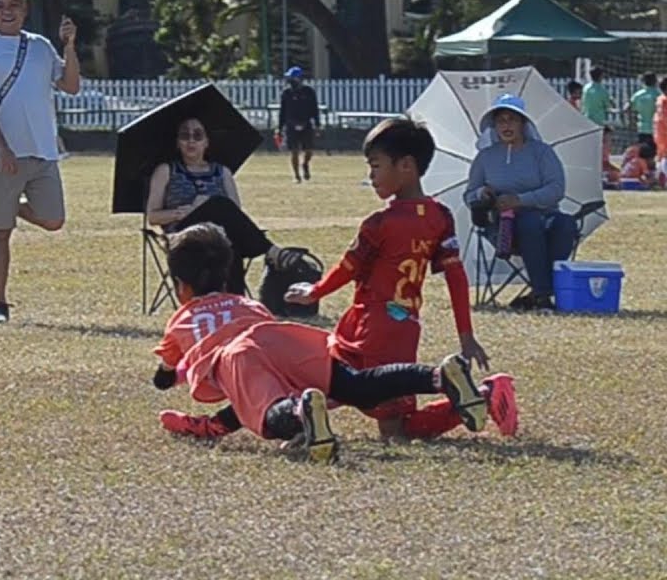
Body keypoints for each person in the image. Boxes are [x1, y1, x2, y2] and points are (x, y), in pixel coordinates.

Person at [151, 224, 513, 461]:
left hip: (236, 359)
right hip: (280, 338)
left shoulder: (181, 318)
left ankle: (301, 413)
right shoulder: (247, 303)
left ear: (182, 286)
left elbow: (167, 371)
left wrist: (165, 377)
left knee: (270, 416)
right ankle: (438, 376)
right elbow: (260, 344)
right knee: (357, 386)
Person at [282, 118, 513, 441]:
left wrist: (315, 292)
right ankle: (304, 424)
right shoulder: (440, 217)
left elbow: (348, 269)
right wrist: (465, 335)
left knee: (390, 425)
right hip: (402, 327)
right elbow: (456, 276)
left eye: (375, 166)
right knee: (343, 390)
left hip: (370, 326)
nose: (371, 176)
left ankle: (486, 396)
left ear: (406, 166)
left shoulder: (379, 224)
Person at [0, 0, 78, 325]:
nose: (7, 11)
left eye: (14, 4)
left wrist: (69, 46)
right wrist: (1, 147)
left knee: (54, 219)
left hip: (42, 150)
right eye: (0, 5)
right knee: (1, 230)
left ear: (25, 9)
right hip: (1, 155)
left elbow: (70, 86)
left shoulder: (41, 46)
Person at [145, 115, 302, 295]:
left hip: (221, 236)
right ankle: (271, 252)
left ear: (206, 142)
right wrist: (184, 212)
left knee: (225, 235)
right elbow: (153, 217)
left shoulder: (222, 172)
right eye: (184, 136)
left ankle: (235, 299)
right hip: (184, 234)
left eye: (197, 136)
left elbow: (235, 213)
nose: (191, 141)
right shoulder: (166, 170)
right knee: (219, 205)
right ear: (177, 142)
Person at [463, 94, 578, 311]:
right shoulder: (485, 157)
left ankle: (540, 292)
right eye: (501, 121)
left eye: (512, 119)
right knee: (529, 222)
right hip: (503, 226)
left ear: (523, 124)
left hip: (546, 216)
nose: (506, 125)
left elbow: (556, 189)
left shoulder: (542, 152)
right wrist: (482, 193)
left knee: (566, 224)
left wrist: (520, 200)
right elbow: (469, 195)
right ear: (494, 126)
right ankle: (543, 295)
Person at [278, 66, 319, 183]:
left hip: (306, 124)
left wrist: (317, 124)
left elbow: (314, 109)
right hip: (291, 125)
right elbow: (282, 111)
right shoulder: (286, 93)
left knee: (309, 150)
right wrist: (279, 128)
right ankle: (296, 176)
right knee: (294, 151)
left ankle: (305, 164)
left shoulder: (309, 92)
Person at [627, 72, 658, 158]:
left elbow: (627, 108)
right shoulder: (658, 94)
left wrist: (630, 121)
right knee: (655, 154)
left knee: (644, 154)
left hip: (642, 128)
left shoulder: (638, 95)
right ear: (655, 81)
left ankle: (645, 170)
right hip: (656, 129)